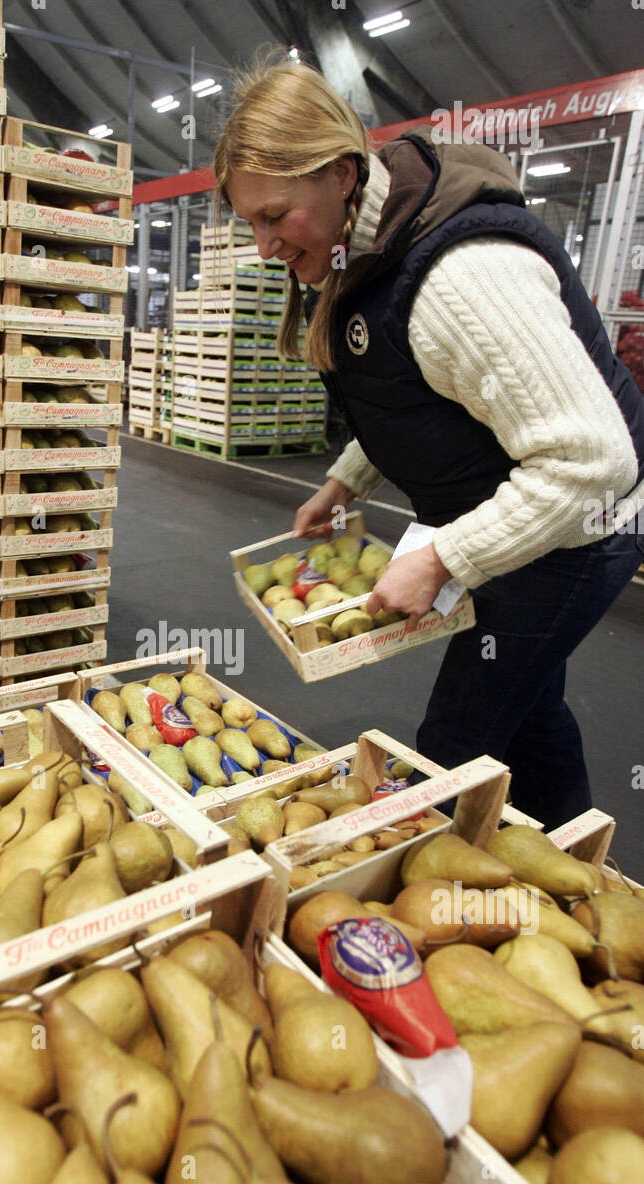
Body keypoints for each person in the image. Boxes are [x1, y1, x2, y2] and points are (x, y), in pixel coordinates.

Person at [214, 59, 644, 830]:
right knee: (529, 702)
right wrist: (348, 479)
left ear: (343, 176)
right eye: (250, 221)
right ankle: (576, 861)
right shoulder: (365, 249)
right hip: (519, 508)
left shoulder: (460, 277)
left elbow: (591, 461)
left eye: (275, 215)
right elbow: (414, 390)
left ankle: (434, 887)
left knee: (454, 739)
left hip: (583, 525)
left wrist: (445, 557)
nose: (263, 245)